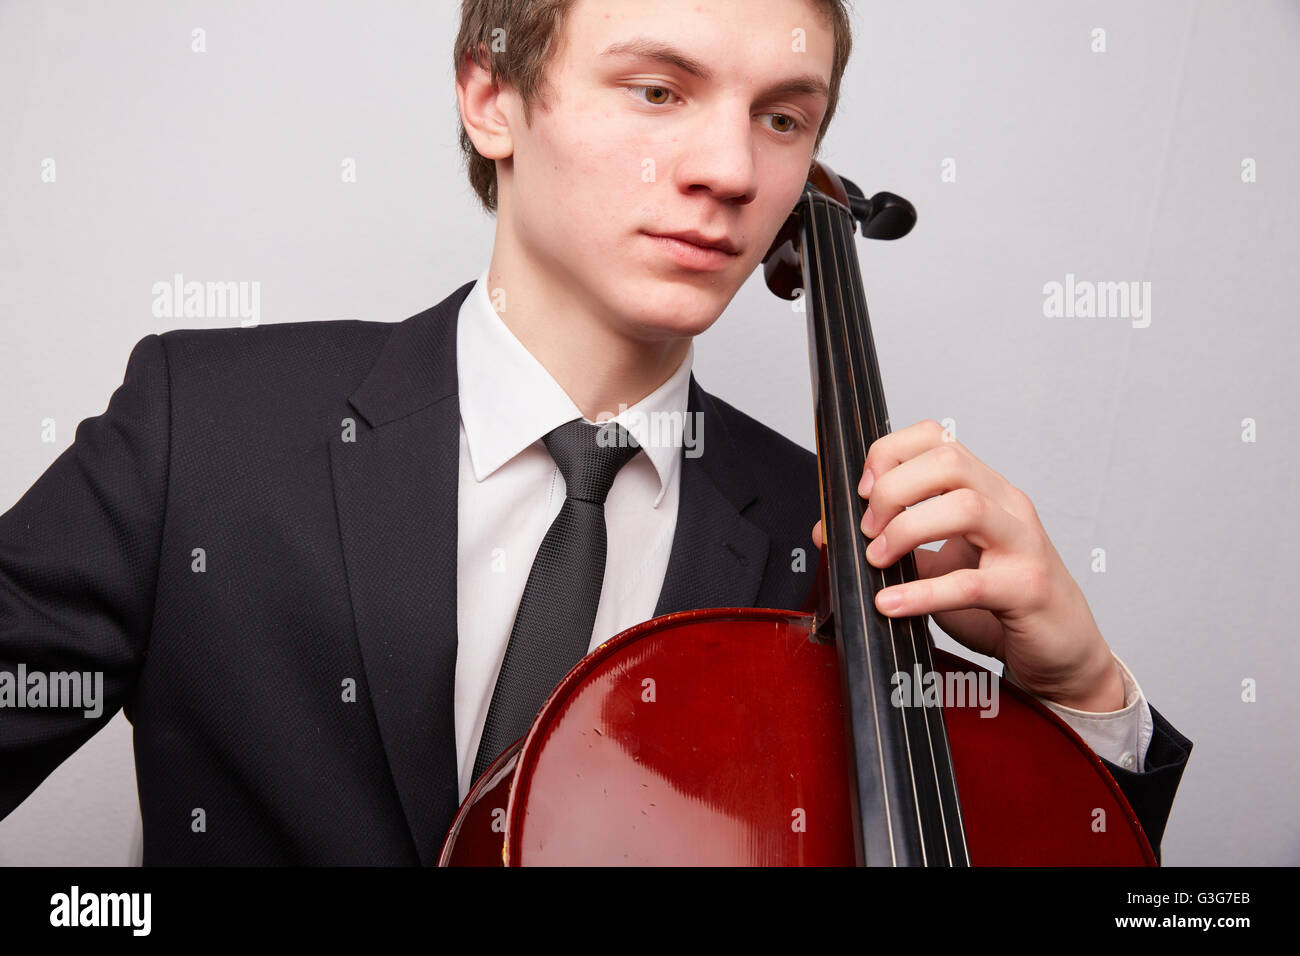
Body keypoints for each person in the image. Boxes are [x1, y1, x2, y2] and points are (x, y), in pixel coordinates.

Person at [0, 0, 1189, 865]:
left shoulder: (836, 538)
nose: (730, 169)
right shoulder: (203, 423)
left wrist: (1083, 690)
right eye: (659, 89)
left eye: (783, 117)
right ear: (492, 96)